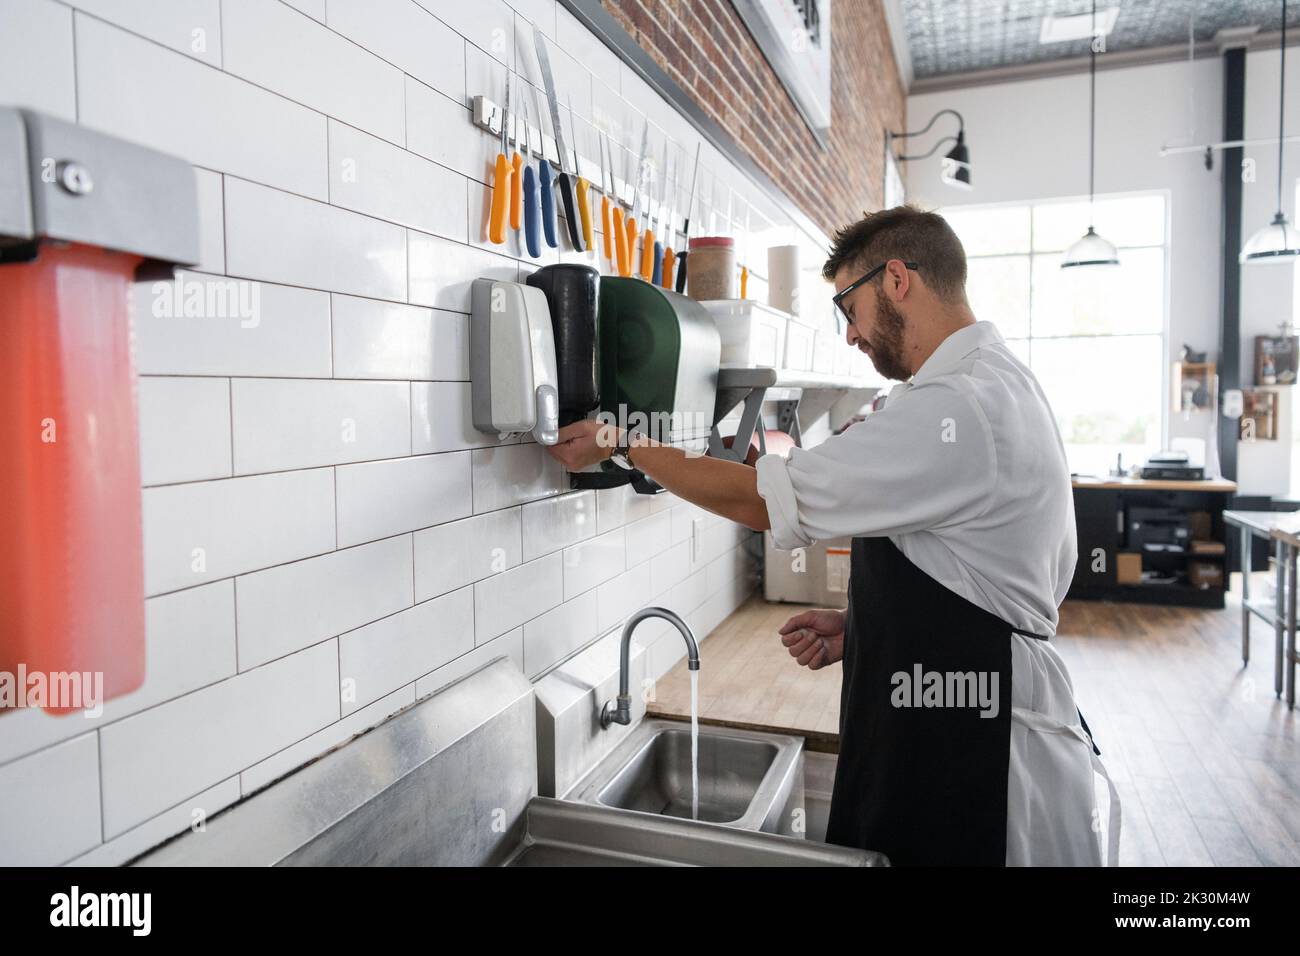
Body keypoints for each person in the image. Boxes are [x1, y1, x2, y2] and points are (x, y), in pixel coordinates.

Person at [546, 204, 1119, 866]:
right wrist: (870, 626)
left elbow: (762, 501)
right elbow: (977, 573)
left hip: (974, 748)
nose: (850, 335)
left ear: (897, 279)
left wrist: (625, 445)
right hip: (957, 709)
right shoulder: (988, 382)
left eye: (849, 306)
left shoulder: (955, 405)